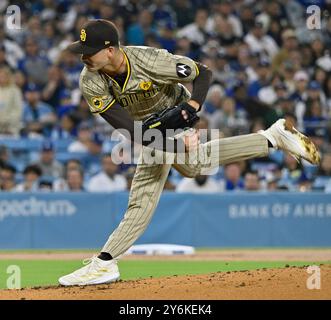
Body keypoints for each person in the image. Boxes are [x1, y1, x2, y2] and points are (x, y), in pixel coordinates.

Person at [59, 19, 320, 286]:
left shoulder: (149, 60)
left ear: (111, 50)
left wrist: (193, 104)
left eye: (89, 50)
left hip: (174, 115)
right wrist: (176, 146)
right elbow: (132, 131)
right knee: (194, 166)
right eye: (82, 50)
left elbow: (203, 72)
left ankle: (105, 262)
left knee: (145, 191)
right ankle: (271, 138)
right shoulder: (90, 80)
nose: (84, 56)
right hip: (146, 128)